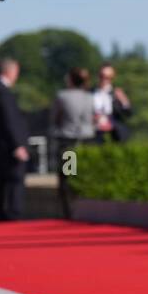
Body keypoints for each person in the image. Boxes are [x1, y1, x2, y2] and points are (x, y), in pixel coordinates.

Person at [0, 58, 30, 222]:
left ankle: (0, 215)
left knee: (0, 183)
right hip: (8, 148)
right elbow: (9, 120)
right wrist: (17, 145)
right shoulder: (2, 92)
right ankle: (13, 215)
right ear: (9, 72)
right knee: (14, 181)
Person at [50, 67, 96, 217]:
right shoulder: (90, 97)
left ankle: (70, 211)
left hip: (69, 142)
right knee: (84, 176)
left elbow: (55, 118)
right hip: (87, 141)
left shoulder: (63, 96)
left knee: (69, 177)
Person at [92, 63, 133, 143]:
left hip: (114, 134)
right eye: (102, 76)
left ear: (113, 78)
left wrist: (124, 101)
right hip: (95, 133)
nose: (104, 79)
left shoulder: (117, 93)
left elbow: (128, 114)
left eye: (108, 77)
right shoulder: (91, 93)